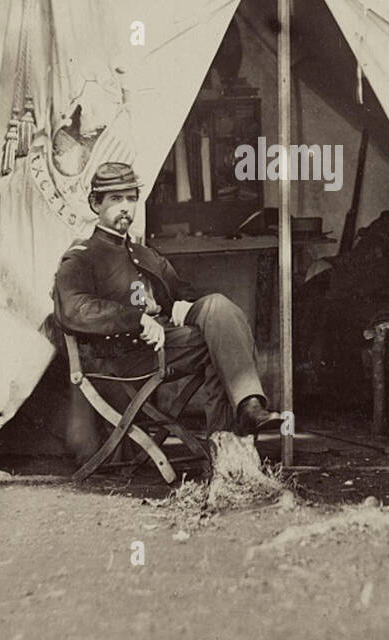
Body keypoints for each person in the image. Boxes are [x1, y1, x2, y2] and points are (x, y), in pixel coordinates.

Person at [51, 162, 282, 437]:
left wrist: (182, 305)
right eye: (115, 199)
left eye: (131, 198)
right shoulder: (81, 256)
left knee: (218, 307)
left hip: (162, 345)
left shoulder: (145, 254)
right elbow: (75, 309)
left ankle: (247, 407)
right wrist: (135, 319)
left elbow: (181, 291)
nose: (126, 207)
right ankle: (229, 441)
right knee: (223, 342)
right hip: (122, 355)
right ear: (95, 204)